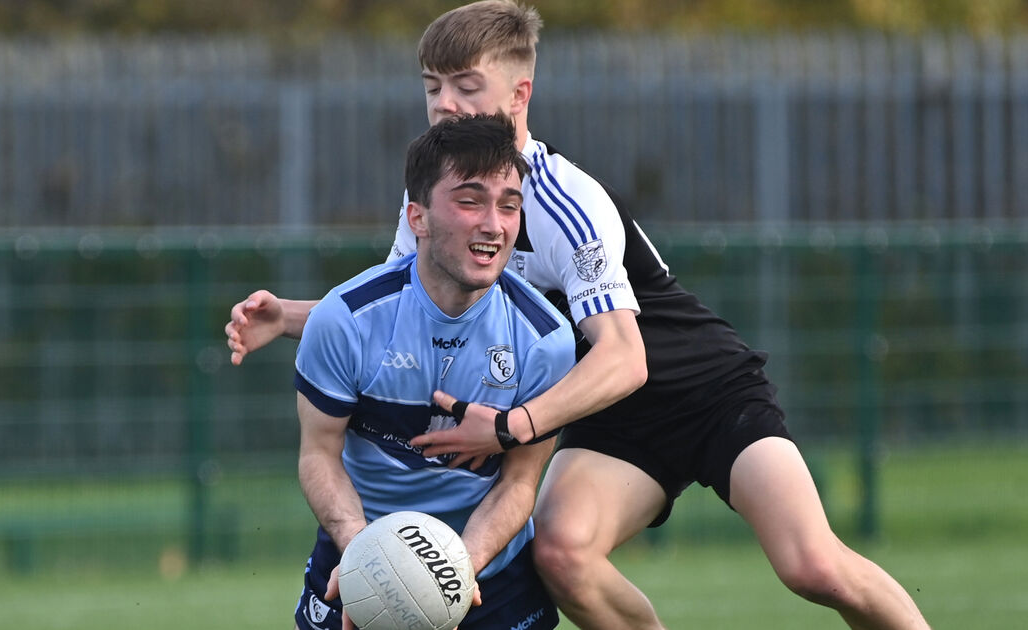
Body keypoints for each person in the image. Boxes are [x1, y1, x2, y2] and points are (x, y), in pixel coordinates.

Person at [228, 2, 931, 628]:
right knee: (561, 556)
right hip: (597, 411)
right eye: (432, 88)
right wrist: (285, 316)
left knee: (811, 566)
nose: (444, 104)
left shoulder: (566, 199)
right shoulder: (440, 195)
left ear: (519, 94)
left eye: (466, 86)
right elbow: (396, 306)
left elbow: (627, 356)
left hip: (701, 391)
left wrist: (511, 426)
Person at [289, 112, 572, 630]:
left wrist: (454, 572)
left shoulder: (546, 340)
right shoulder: (344, 319)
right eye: (470, 201)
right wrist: (364, 556)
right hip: (354, 552)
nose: (494, 224)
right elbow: (319, 454)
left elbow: (518, 482)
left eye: (509, 206)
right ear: (417, 217)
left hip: (489, 573)